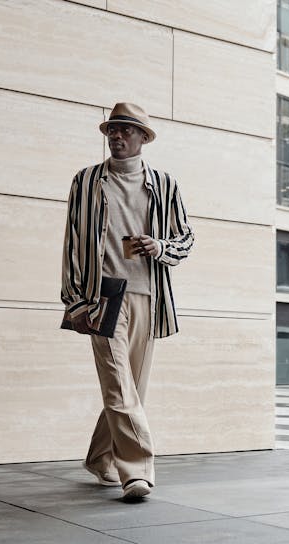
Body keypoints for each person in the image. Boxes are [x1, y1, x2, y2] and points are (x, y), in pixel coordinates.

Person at [61, 102, 194, 500]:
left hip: (149, 297)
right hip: (103, 296)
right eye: (111, 131)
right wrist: (74, 301)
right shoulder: (85, 182)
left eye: (125, 130)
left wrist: (160, 246)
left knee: (131, 387)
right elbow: (72, 244)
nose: (116, 137)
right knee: (120, 387)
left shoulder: (165, 185)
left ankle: (99, 457)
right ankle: (136, 471)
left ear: (142, 138)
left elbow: (186, 240)